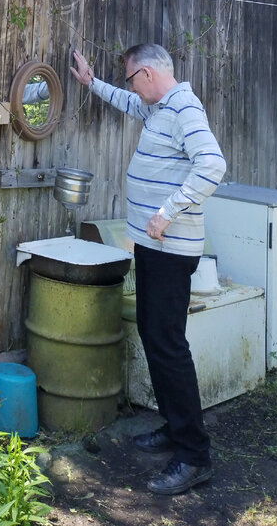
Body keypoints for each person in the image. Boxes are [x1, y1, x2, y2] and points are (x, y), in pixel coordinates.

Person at [70, 42, 226, 496]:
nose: (130, 88)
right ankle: (175, 429)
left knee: (168, 346)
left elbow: (212, 165)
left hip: (170, 249)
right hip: (154, 249)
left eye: (130, 79)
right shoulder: (157, 108)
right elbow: (125, 102)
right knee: (157, 340)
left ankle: (194, 457)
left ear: (149, 75)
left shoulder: (183, 110)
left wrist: (167, 212)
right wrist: (90, 82)